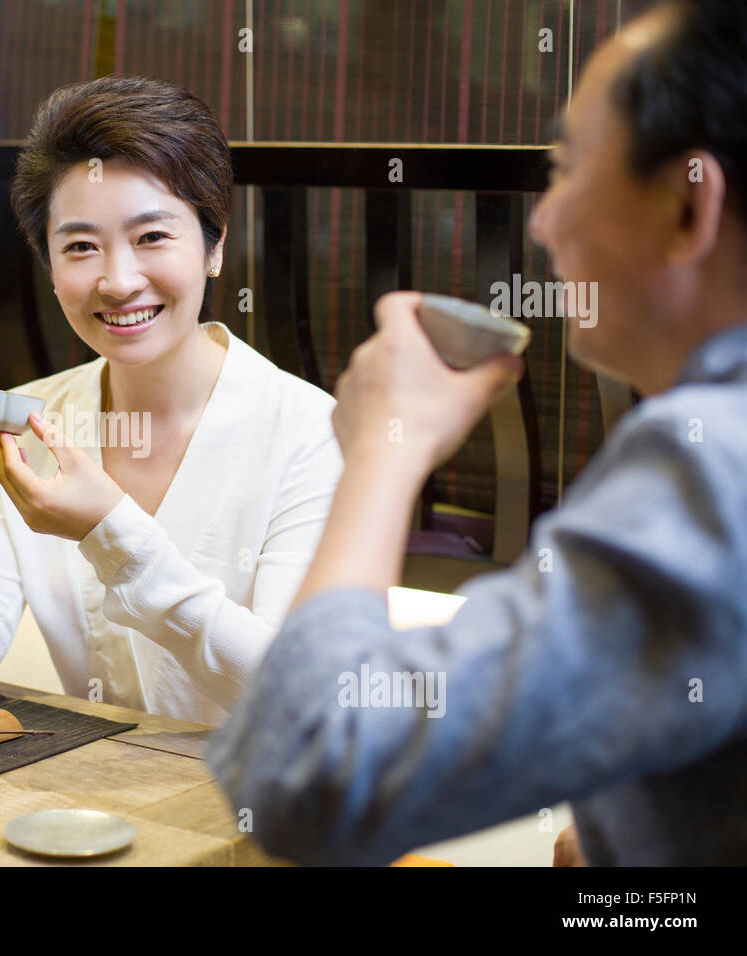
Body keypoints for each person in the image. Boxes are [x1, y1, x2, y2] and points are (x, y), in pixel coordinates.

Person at [207, 0, 747, 864]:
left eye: (569, 168)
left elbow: (303, 768)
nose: (541, 220)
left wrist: (386, 450)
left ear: (690, 207)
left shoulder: (714, 467)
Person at [0, 75, 343, 725]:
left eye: (152, 238)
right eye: (82, 247)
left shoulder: (312, 433)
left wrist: (108, 529)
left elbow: (293, 695)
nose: (118, 282)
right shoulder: (30, 420)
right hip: (85, 809)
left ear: (215, 244)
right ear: (50, 266)